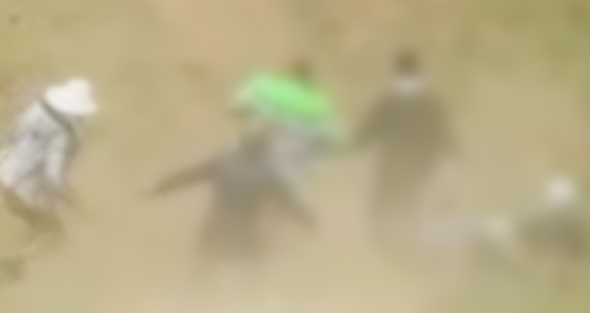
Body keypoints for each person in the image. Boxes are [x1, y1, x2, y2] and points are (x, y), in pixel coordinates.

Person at [151, 127, 318, 269]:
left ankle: (198, 301)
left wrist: (159, 188)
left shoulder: (223, 162)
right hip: (244, 233)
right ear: (265, 149)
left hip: (216, 228)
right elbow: (288, 204)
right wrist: (308, 221)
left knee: (204, 270)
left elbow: (187, 177)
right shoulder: (266, 174)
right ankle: (249, 305)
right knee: (251, 277)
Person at [0, 78, 99, 278]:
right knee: (54, 236)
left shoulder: (36, 109)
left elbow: (12, 134)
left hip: (2, 175)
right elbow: (52, 176)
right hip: (23, 189)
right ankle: (12, 264)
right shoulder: (62, 134)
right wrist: (71, 199)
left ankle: (16, 260)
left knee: (37, 225)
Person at [351, 52, 458, 238]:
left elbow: (371, 127)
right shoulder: (430, 99)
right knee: (411, 198)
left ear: (395, 71)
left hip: (392, 157)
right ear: (419, 72)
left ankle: (382, 236)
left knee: (382, 198)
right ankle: (408, 237)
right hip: (421, 160)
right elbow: (443, 130)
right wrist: (458, 154)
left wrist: (352, 147)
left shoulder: (388, 98)